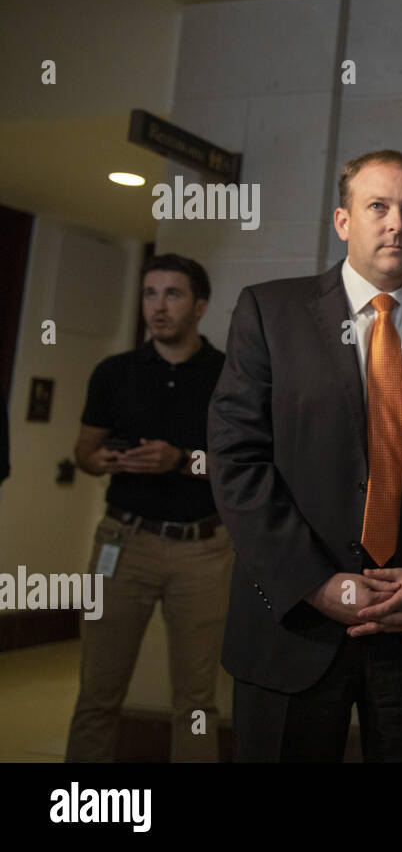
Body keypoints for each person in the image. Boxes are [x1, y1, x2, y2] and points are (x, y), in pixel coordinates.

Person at [208, 149, 402, 762]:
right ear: (343, 221)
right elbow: (237, 459)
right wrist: (317, 585)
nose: (396, 222)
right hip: (293, 626)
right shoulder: (270, 312)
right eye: (378, 207)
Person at [67, 254, 231, 762]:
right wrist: (105, 459)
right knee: (97, 690)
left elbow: (238, 463)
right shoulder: (114, 373)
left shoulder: (229, 375)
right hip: (123, 541)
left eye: (172, 294)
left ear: (200, 306)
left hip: (202, 550)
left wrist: (179, 459)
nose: (158, 307)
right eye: (149, 294)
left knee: (196, 700)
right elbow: (84, 453)